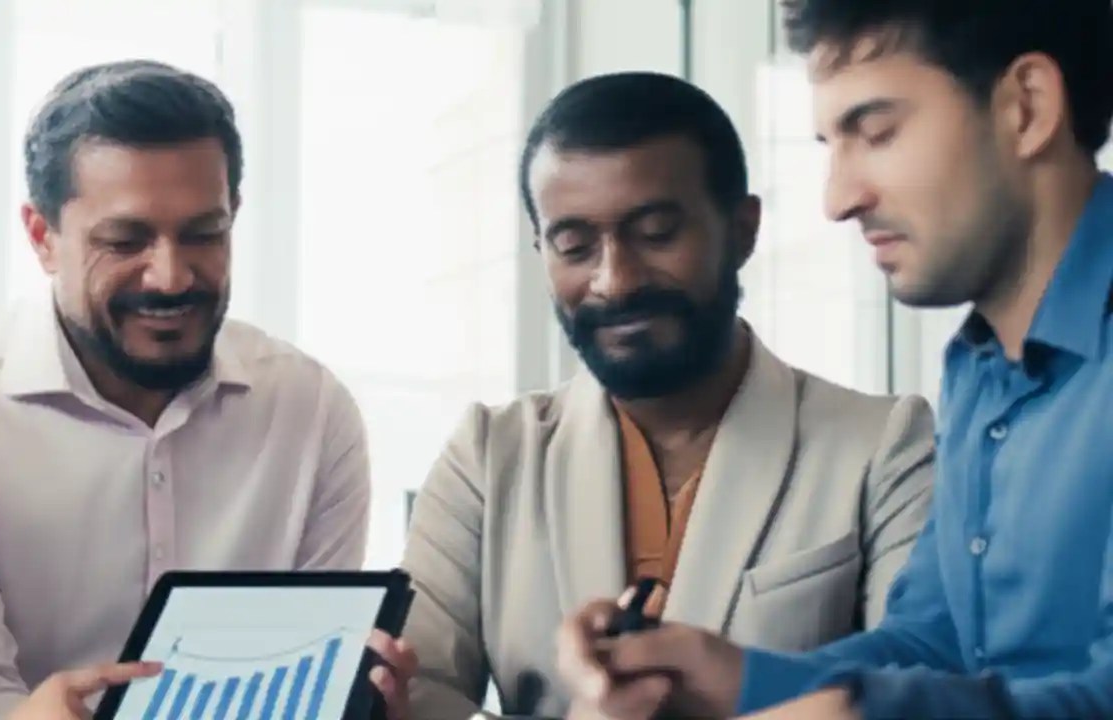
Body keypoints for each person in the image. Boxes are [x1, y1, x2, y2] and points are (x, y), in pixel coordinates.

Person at [555, 1, 1113, 718]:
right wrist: (716, 674)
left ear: (1026, 108)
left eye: (876, 132)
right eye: (830, 145)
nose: (839, 198)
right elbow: (939, 645)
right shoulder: (980, 368)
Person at [370, 71, 937, 719]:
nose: (615, 280)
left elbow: (919, 694)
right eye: (576, 246)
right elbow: (412, 694)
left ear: (743, 229)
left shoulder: (882, 446)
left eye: (658, 233)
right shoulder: (489, 456)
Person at [0, 61, 371, 719]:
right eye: (125, 241)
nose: (172, 277)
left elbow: (306, 689)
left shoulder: (313, 412)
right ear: (42, 238)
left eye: (204, 234)